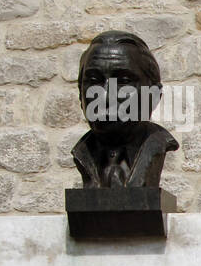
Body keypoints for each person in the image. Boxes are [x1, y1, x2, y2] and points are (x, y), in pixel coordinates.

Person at [72, 31, 177, 189]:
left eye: (123, 81)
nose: (106, 96)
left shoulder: (158, 145)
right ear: (81, 95)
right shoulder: (83, 152)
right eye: (94, 81)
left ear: (154, 96)